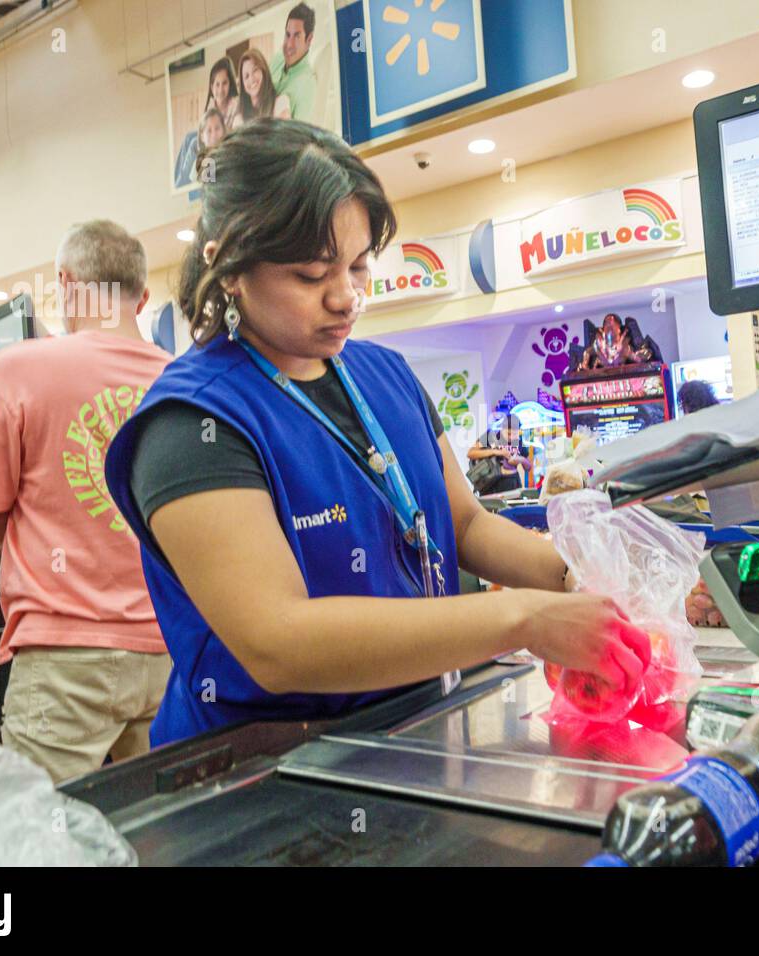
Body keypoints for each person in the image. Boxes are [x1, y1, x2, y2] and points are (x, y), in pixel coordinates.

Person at [102, 119, 649, 746]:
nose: (345, 298)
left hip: (415, 730)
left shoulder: (383, 374)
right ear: (228, 268)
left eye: (359, 268)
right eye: (311, 275)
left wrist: (581, 581)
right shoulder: (190, 424)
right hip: (262, 771)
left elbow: (463, 525)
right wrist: (522, 617)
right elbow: (278, 642)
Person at [0, 220, 173, 783]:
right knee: (165, 827)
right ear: (143, 297)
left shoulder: (17, 370)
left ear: (65, 283)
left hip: (63, 657)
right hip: (172, 647)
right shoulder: (183, 380)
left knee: (36, 835)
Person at [269, 3, 318, 123]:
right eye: (287, 34)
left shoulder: (307, 84)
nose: (289, 45)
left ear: (309, 39)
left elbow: (299, 136)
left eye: (297, 36)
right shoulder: (278, 59)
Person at [467, 413, 531, 495]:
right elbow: (471, 453)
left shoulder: (519, 442)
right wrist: (496, 452)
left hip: (513, 485)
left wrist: (521, 460)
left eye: (514, 434)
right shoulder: (490, 436)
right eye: (508, 434)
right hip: (491, 484)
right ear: (502, 428)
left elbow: (528, 467)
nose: (511, 437)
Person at [235, 49, 291, 127]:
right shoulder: (239, 120)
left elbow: (284, 137)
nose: (251, 79)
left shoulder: (281, 103)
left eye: (255, 70)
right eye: (246, 76)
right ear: (242, 85)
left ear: (264, 70)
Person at [205, 57, 241, 132]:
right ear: (212, 87)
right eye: (217, 84)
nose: (220, 90)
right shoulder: (211, 106)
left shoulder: (236, 104)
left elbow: (236, 133)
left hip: (227, 141)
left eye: (224, 83)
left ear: (230, 84)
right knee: (189, 138)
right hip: (213, 140)